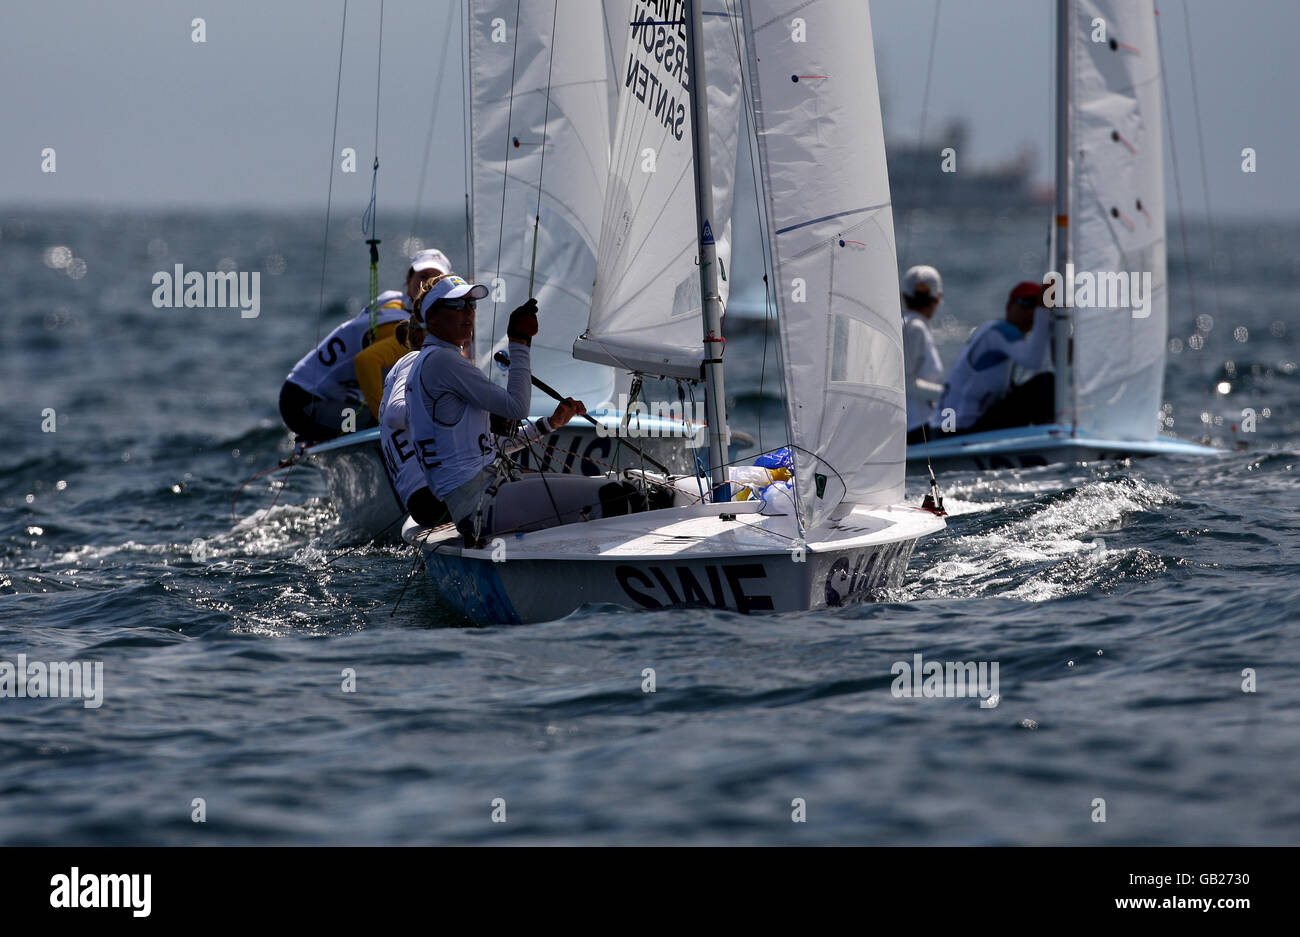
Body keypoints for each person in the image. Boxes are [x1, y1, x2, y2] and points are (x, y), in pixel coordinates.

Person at [406, 276, 591, 546]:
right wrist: (519, 342)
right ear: (432, 316)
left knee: (599, 488)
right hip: (481, 503)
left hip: (478, 500)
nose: (468, 311)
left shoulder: (433, 360)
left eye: (471, 304)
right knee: (617, 493)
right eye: (457, 305)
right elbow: (517, 407)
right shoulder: (442, 360)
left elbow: (488, 446)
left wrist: (550, 423)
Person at [279, 289, 411, 443]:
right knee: (379, 422)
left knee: (381, 415)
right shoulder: (408, 333)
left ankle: (318, 437)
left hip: (323, 397)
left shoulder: (393, 304)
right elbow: (365, 362)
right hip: (303, 403)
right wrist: (385, 419)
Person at [932, 280, 1054, 435]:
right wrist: (1043, 311)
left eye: (1035, 305)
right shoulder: (1000, 331)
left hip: (947, 428)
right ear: (1009, 306)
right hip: (954, 432)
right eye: (1025, 303)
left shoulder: (997, 335)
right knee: (1047, 382)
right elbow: (1034, 362)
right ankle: (1047, 437)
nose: (1031, 311)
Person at [354, 248, 452, 420]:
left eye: (436, 280)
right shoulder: (405, 324)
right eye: (423, 276)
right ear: (409, 279)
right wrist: (382, 421)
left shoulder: (390, 298)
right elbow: (365, 361)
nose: (428, 284)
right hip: (329, 397)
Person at [899, 265, 947, 445]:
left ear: (904, 296)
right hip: (916, 429)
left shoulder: (908, 324)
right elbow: (907, 385)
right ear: (938, 298)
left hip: (918, 426)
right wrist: (949, 395)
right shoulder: (915, 328)